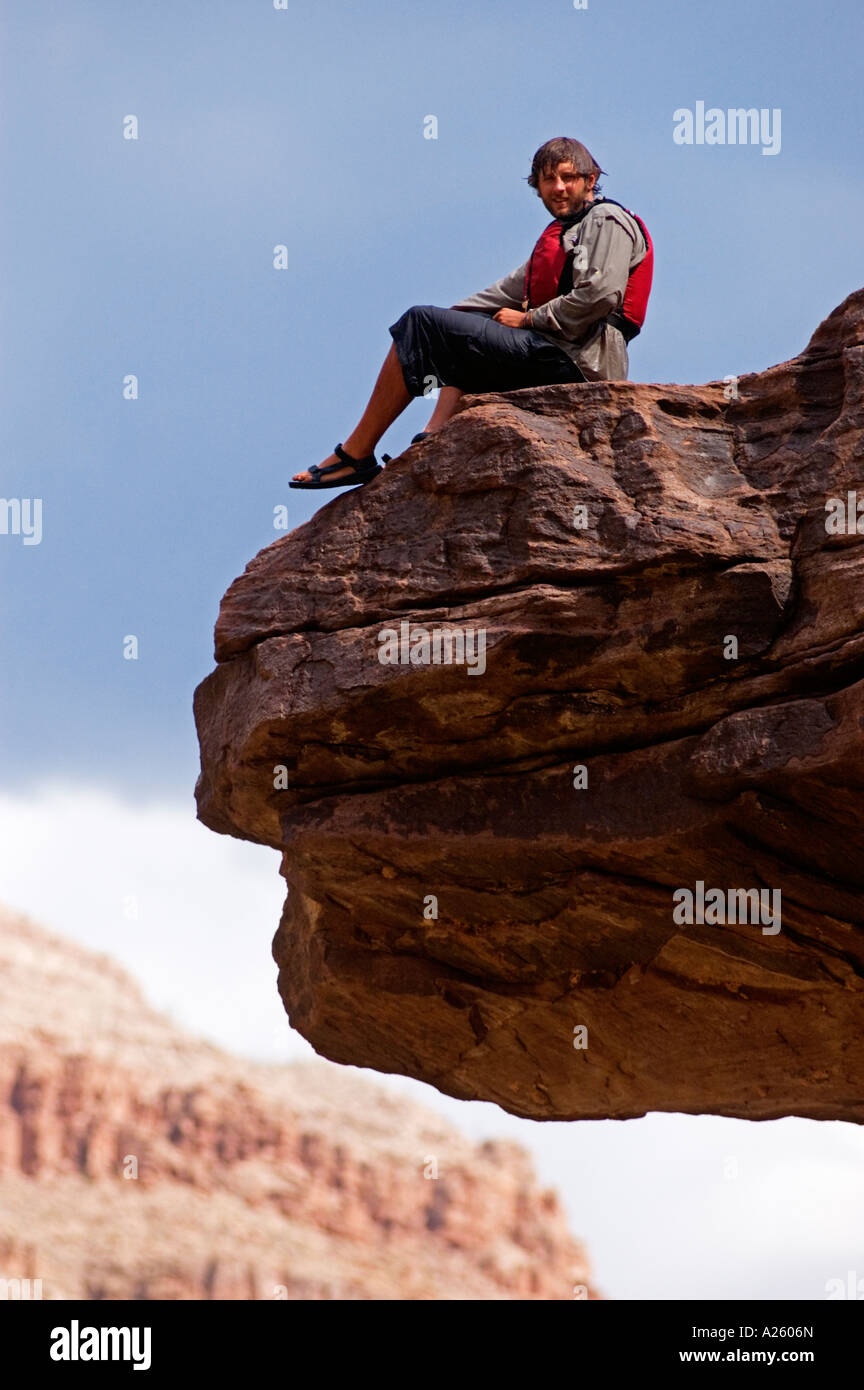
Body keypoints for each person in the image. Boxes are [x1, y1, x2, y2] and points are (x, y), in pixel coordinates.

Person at [290, 136, 652, 490]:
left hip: (582, 365)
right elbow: (501, 294)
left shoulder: (606, 221)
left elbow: (599, 296)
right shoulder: (561, 232)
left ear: (590, 180)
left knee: (425, 322)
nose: (558, 188)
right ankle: (433, 438)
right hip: (551, 354)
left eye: (568, 178)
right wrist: (442, 326)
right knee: (447, 328)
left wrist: (524, 319)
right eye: (548, 180)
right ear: (536, 187)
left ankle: (356, 456)